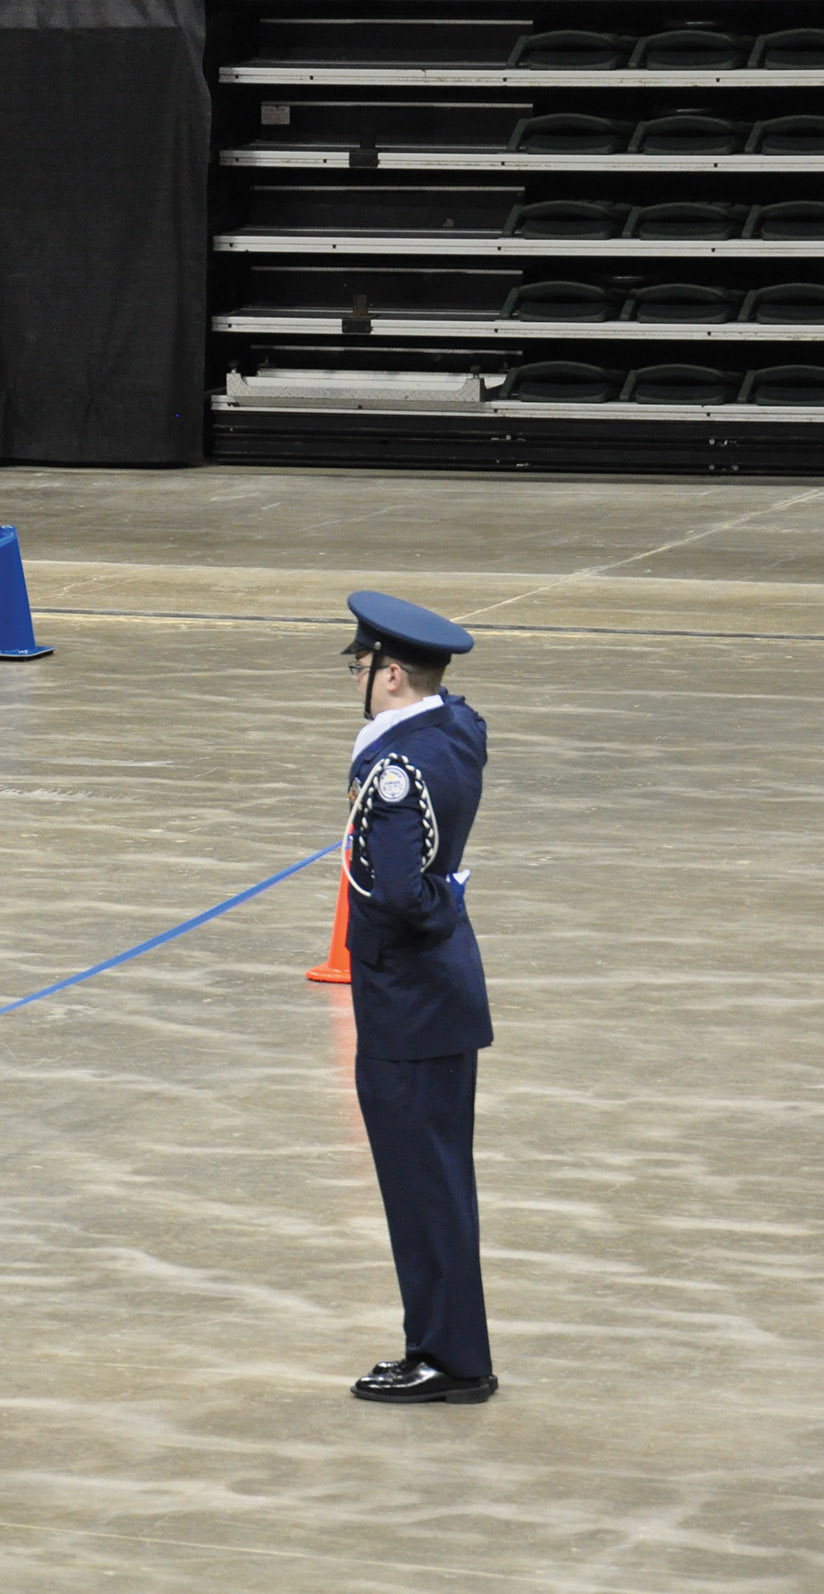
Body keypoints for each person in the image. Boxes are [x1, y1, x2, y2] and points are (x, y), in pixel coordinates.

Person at [335, 592, 498, 1405]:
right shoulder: (453, 728)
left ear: (391, 674)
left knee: (422, 1187)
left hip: (409, 1005)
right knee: (436, 1180)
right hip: (441, 1003)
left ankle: (450, 1358)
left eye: (362, 667)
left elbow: (400, 895)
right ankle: (446, 1343)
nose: (357, 679)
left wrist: (447, 897)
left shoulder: (395, 770)